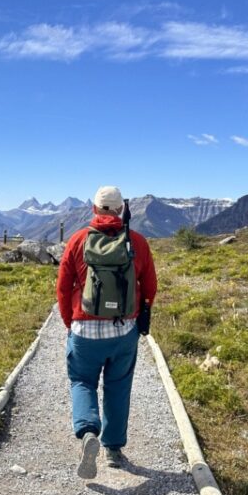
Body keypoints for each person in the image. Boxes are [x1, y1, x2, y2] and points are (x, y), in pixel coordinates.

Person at [56, 186, 157, 479]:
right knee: (118, 386)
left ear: (95, 208)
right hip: (123, 330)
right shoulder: (136, 242)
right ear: (121, 209)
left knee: (82, 381)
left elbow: (63, 288)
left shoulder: (78, 240)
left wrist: (69, 322)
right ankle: (113, 449)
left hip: (84, 330)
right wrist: (140, 315)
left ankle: (88, 432)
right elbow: (149, 287)